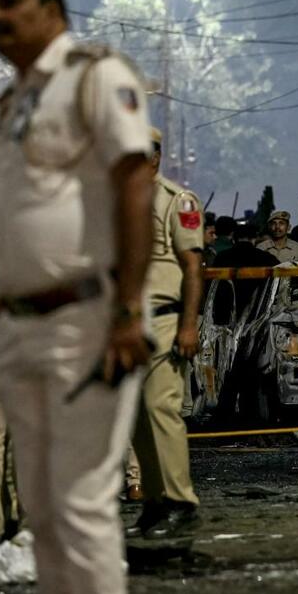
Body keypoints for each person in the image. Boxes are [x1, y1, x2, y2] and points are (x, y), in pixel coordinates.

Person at [0, 0, 155, 594]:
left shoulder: (95, 76)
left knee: (80, 507)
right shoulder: (15, 98)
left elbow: (135, 178)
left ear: (51, 8)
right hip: (20, 324)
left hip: (85, 317)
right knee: (43, 514)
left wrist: (128, 311)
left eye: (12, 4)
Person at [127, 127, 204, 539]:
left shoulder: (177, 200)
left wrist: (188, 325)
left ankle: (181, 501)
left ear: (155, 157)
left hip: (164, 319)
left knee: (162, 410)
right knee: (137, 419)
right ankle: (155, 503)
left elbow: (193, 267)